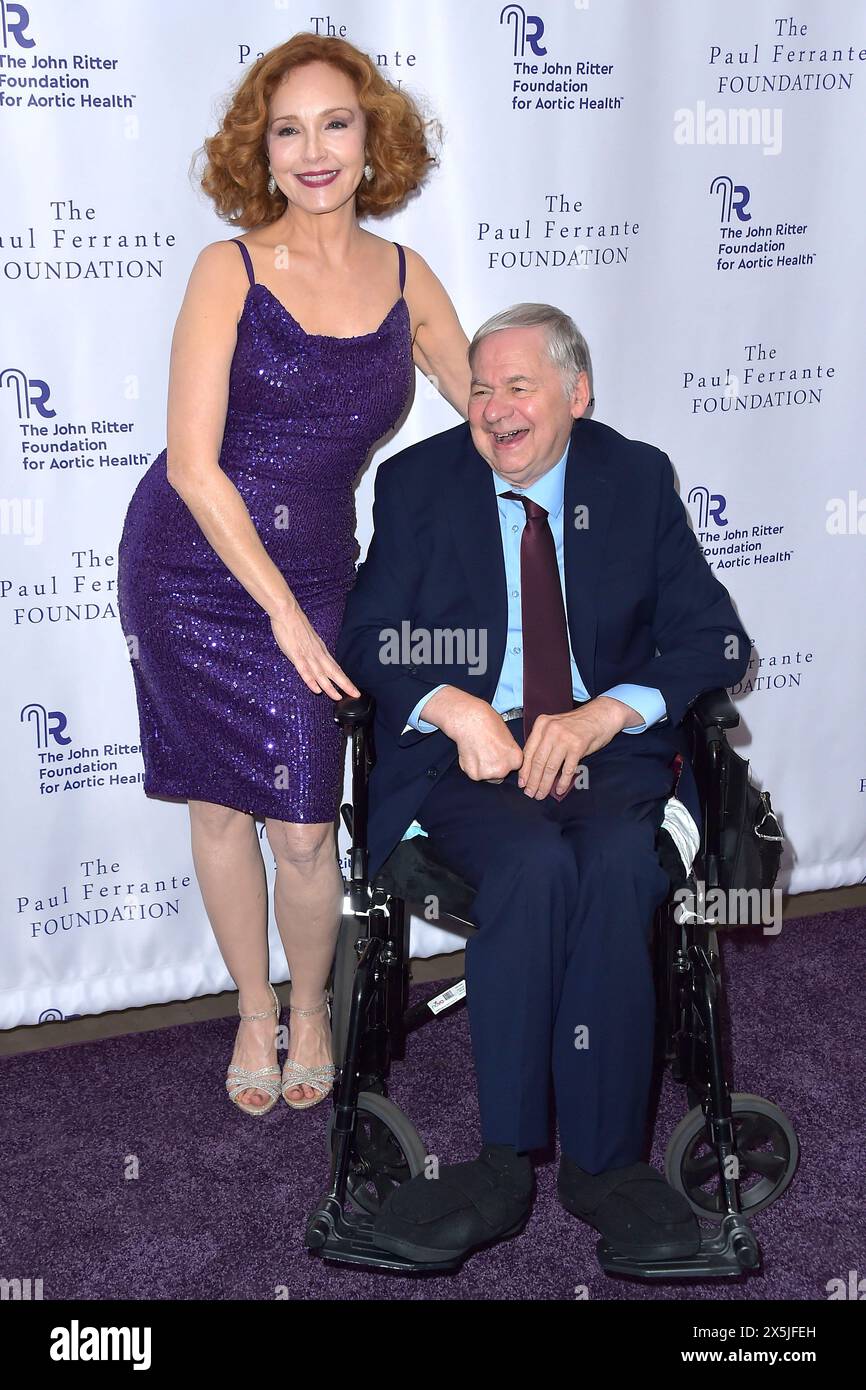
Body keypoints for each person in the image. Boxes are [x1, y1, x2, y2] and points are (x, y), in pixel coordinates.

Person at [335, 303, 752, 1264]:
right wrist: (453, 703)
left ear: (577, 393)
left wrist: (609, 711)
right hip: (466, 764)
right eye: (480, 388)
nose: (494, 410)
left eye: (519, 387)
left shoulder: (634, 478)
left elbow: (715, 639)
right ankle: (505, 1160)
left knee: (611, 862)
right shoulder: (416, 486)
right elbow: (367, 639)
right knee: (532, 861)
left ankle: (606, 1170)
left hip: (609, 754)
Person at [116, 33, 471, 1116]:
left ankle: (309, 1004)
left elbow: (491, 409)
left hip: (317, 570)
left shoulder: (408, 280)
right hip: (192, 566)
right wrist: (278, 617)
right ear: (259, 153)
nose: (312, 150)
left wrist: (563, 427)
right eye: (287, 130)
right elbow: (190, 461)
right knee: (222, 809)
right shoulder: (226, 269)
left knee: (307, 824)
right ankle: (252, 1009)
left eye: (335, 123)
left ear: (372, 143)